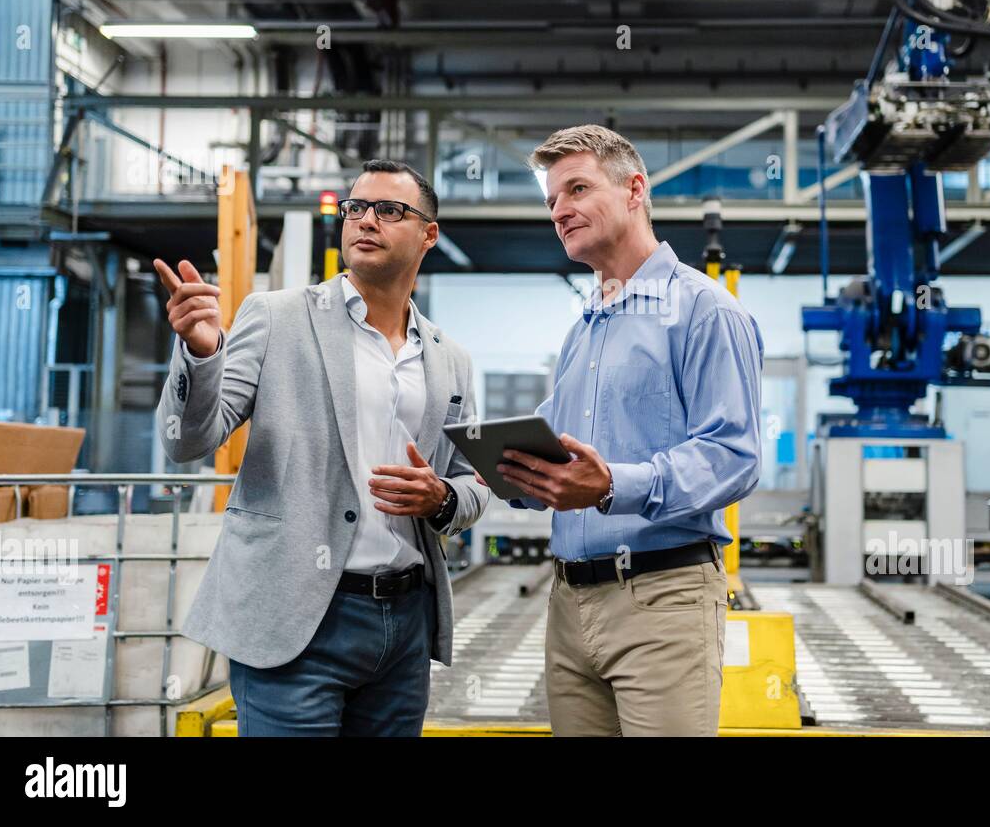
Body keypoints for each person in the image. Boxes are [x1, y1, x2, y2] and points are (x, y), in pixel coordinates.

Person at [156, 158, 489, 736]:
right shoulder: (276, 317)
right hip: (295, 619)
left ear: (428, 235)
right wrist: (203, 354)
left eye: (390, 211)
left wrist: (439, 497)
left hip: (403, 626)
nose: (367, 221)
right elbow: (190, 440)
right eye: (357, 208)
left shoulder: (450, 358)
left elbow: (473, 484)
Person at [496, 125, 763, 736]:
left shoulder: (704, 310)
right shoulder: (583, 329)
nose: (560, 211)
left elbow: (734, 456)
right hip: (568, 602)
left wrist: (613, 484)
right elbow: (563, 451)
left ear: (634, 189)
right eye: (552, 202)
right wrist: (509, 470)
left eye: (577, 189)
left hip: (661, 598)